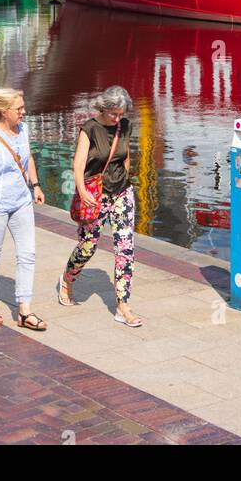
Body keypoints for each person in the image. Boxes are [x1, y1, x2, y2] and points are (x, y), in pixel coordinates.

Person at [57, 86, 142, 328]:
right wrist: (83, 192)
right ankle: (67, 279)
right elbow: (79, 164)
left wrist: (123, 180)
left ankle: (123, 306)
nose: (117, 118)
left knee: (125, 248)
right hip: (95, 195)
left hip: (122, 193)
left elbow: (125, 157)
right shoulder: (90, 129)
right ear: (103, 109)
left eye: (121, 113)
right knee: (88, 246)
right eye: (113, 114)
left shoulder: (125, 126)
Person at [0, 87, 47, 331]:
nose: (24, 112)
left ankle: (24, 311)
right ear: (5, 112)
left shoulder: (23, 130)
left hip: (21, 202)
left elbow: (28, 158)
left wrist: (35, 186)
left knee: (28, 254)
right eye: (19, 109)